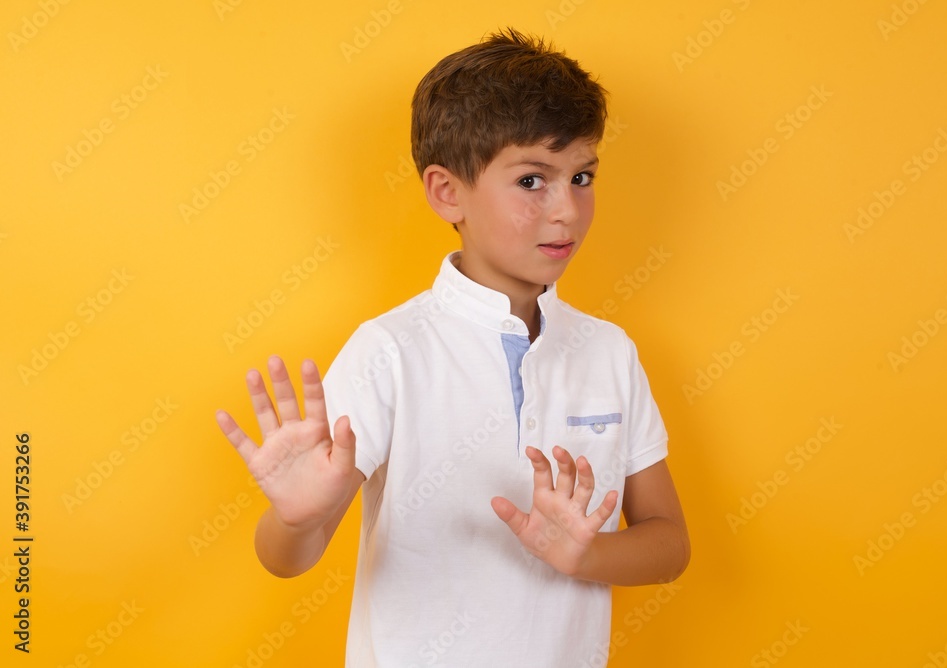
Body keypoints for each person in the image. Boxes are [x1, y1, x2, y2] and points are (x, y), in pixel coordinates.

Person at [216, 27, 689, 667]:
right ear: (447, 192)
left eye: (581, 176)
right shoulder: (389, 352)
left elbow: (670, 545)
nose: (567, 211)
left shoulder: (608, 352)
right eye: (532, 181)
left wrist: (586, 554)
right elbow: (286, 560)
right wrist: (297, 520)